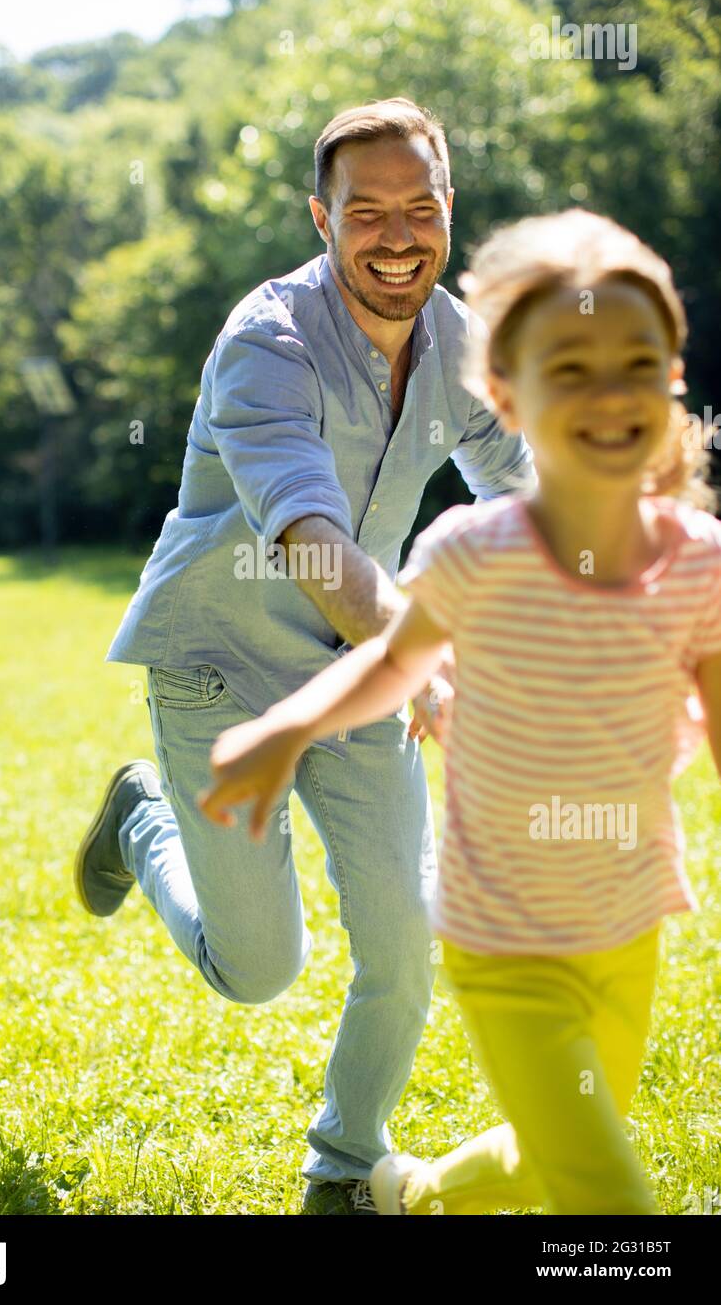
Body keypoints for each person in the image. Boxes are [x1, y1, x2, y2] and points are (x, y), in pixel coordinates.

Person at [199, 208, 721, 1215]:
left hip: (625, 920)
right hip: (502, 933)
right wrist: (284, 728)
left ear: (668, 382)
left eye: (634, 365)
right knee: (606, 1195)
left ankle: (414, 1195)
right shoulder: (473, 551)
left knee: (556, 1149)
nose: (604, 392)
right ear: (503, 395)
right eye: (567, 366)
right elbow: (392, 669)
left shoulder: (697, 559)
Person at [74, 97, 536, 1215]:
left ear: (447, 211)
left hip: (361, 668)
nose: (393, 235)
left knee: (405, 936)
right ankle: (141, 820)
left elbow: (520, 487)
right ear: (318, 215)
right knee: (258, 970)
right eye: (363, 210)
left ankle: (340, 1161)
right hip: (222, 664)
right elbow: (312, 543)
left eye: (416, 208)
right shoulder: (266, 342)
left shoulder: (456, 340)